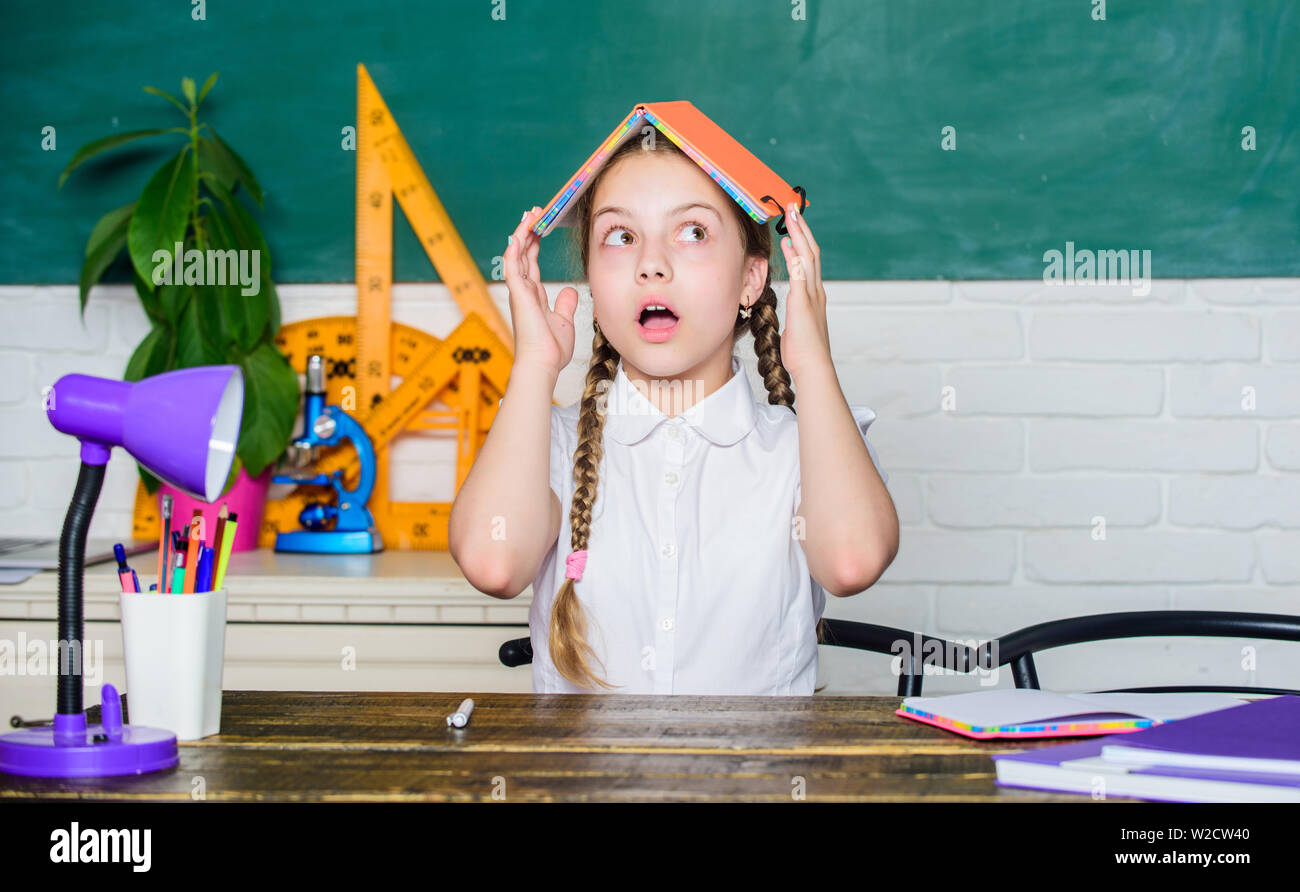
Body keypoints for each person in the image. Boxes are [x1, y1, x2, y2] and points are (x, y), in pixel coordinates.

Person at [450, 131, 898, 695]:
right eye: (621, 235)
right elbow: (493, 565)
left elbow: (853, 561)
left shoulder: (802, 447)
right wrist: (534, 366)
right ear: (591, 277)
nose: (651, 265)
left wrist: (812, 365)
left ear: (751, 279)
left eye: (692, 232)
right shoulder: (549, 442)